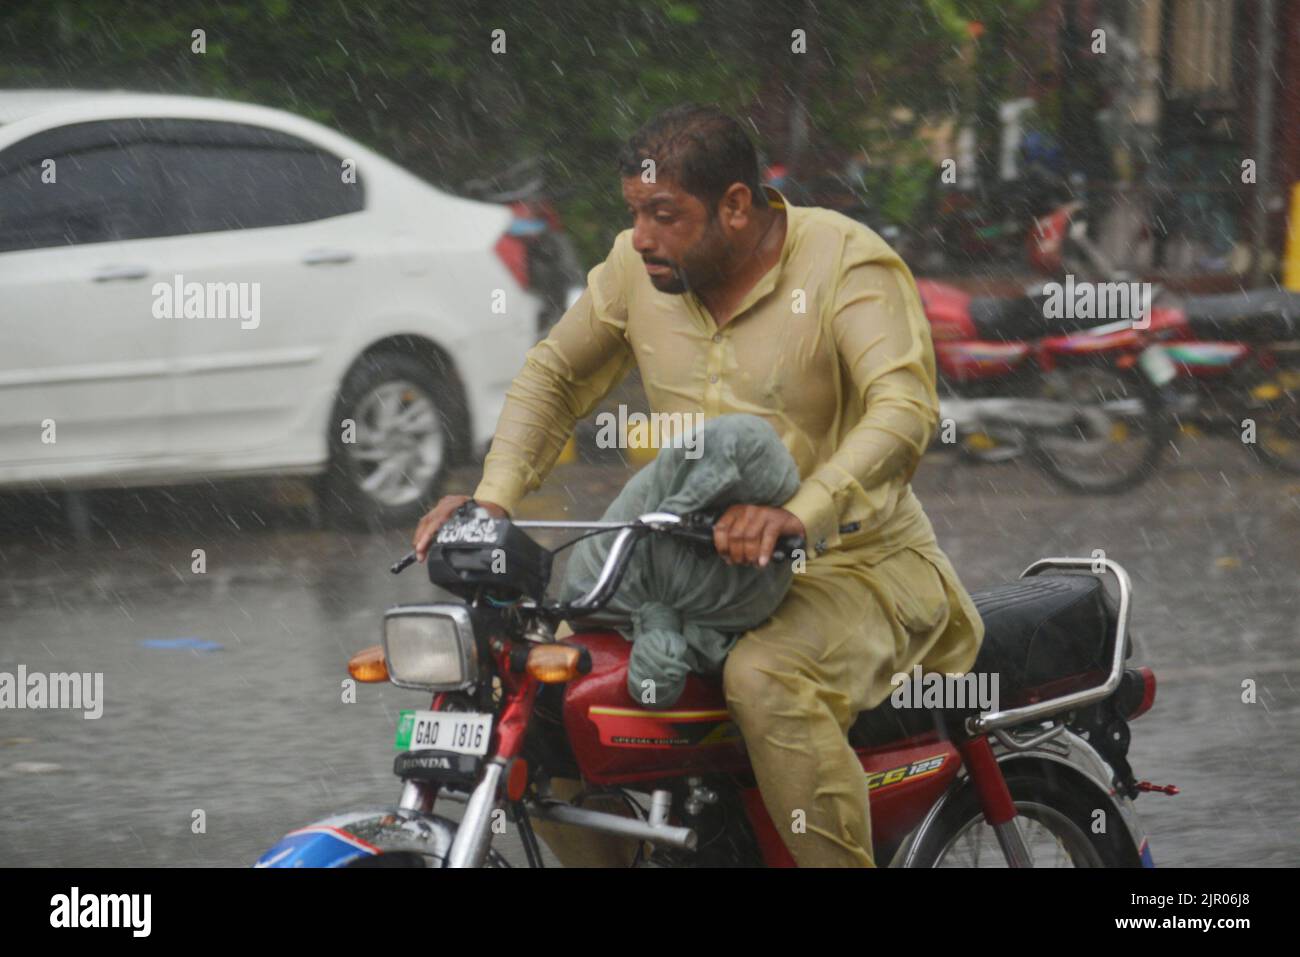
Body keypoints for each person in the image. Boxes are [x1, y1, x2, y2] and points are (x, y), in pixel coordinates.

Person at [411, 103, 984, 867]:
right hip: (687, 575)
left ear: (736, 207)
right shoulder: (634, 270)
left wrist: (798, 512)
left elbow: (903, 408)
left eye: (664, 215)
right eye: (634, 213)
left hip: (855, 565)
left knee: (765, 675)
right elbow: (555, 376)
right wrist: (490, 502)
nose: (642, 235)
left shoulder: (847, 263)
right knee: (546, 683)